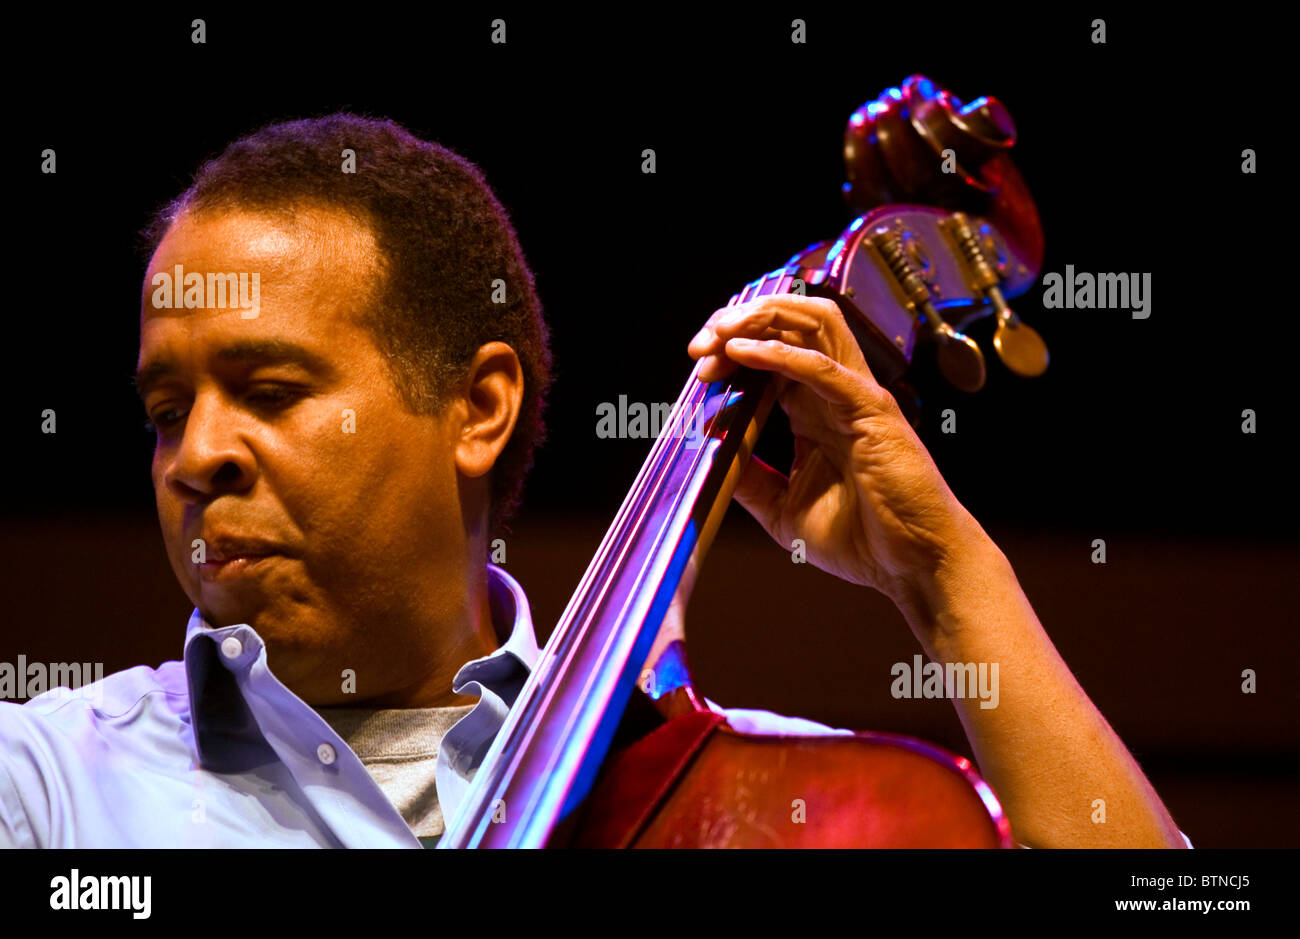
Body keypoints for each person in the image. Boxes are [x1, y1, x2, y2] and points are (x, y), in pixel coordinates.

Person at [0, 114, 1190, 848]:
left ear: (476, 409)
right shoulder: (48, 786)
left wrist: (943, 580)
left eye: (268, 391)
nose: (196, 456)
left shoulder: (761, 810)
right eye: (165, 413)